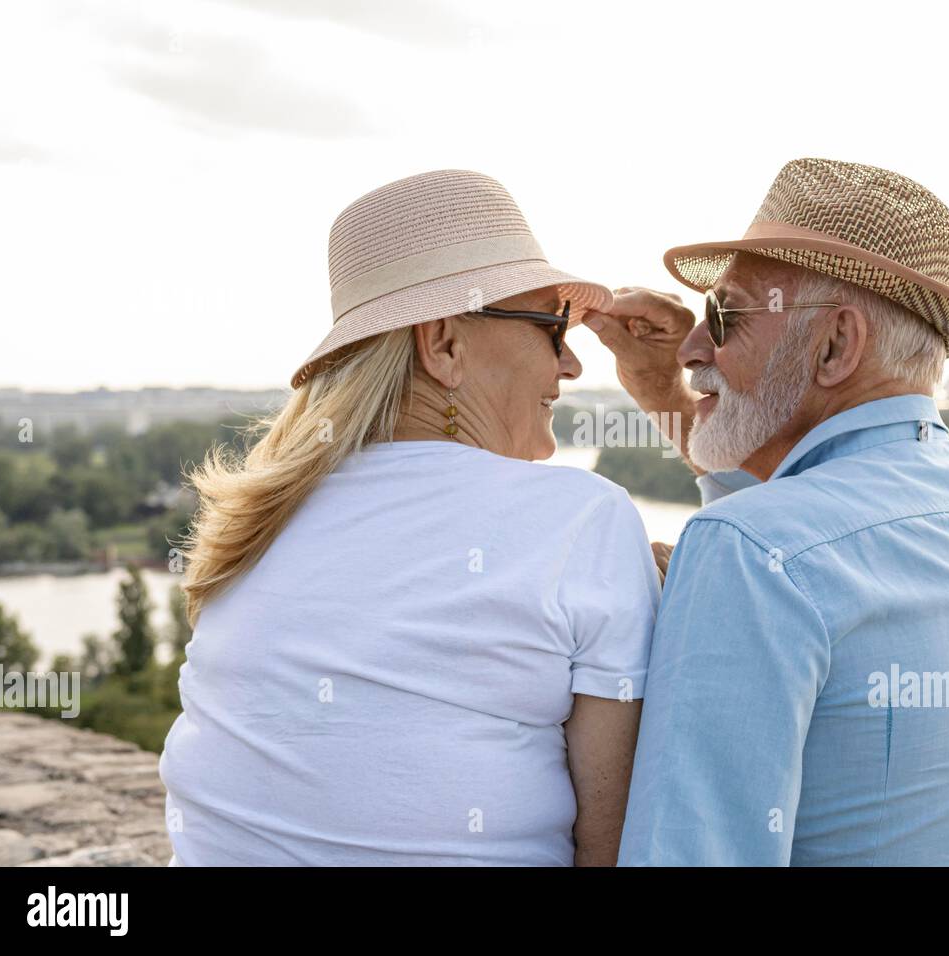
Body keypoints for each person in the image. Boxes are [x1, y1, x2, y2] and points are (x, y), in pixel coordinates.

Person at [585, 158, 949, 865]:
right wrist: (663, 393)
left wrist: (721, 587)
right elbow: (824, 520)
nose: (691, 346)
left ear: (835, 344)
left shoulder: (749, 552)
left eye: (726, 316)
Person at [158, 169, 660, 866]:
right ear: (445, 344)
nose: (571, 362)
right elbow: (613, 850)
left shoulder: (261, 516)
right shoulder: (581, 519)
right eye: (552, 325)